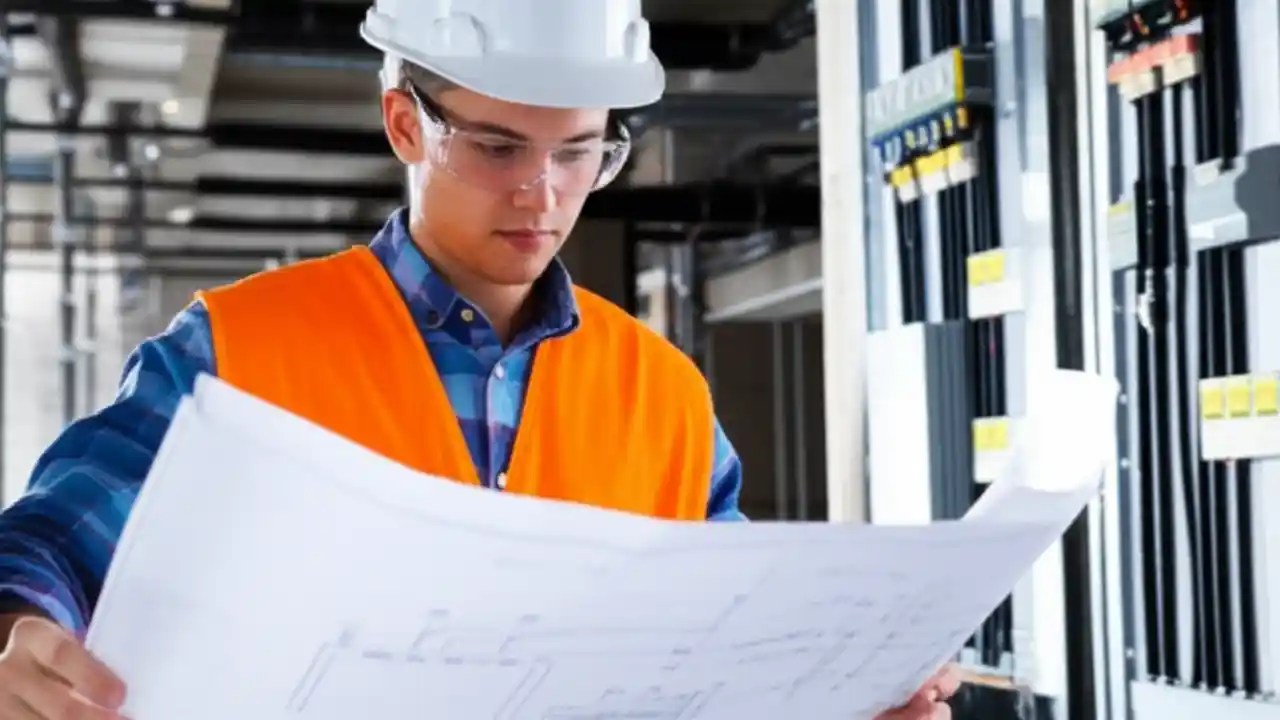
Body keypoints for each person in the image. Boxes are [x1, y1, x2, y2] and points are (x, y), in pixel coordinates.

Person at [0, 2, 959, 718]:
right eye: (498, 147)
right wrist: (18, 635)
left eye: (580, 152)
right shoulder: (234, 352)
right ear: (405, 122)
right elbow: (48, 543)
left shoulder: (663, 393)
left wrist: (841, 691)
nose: (541, 194)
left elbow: (728, 644)